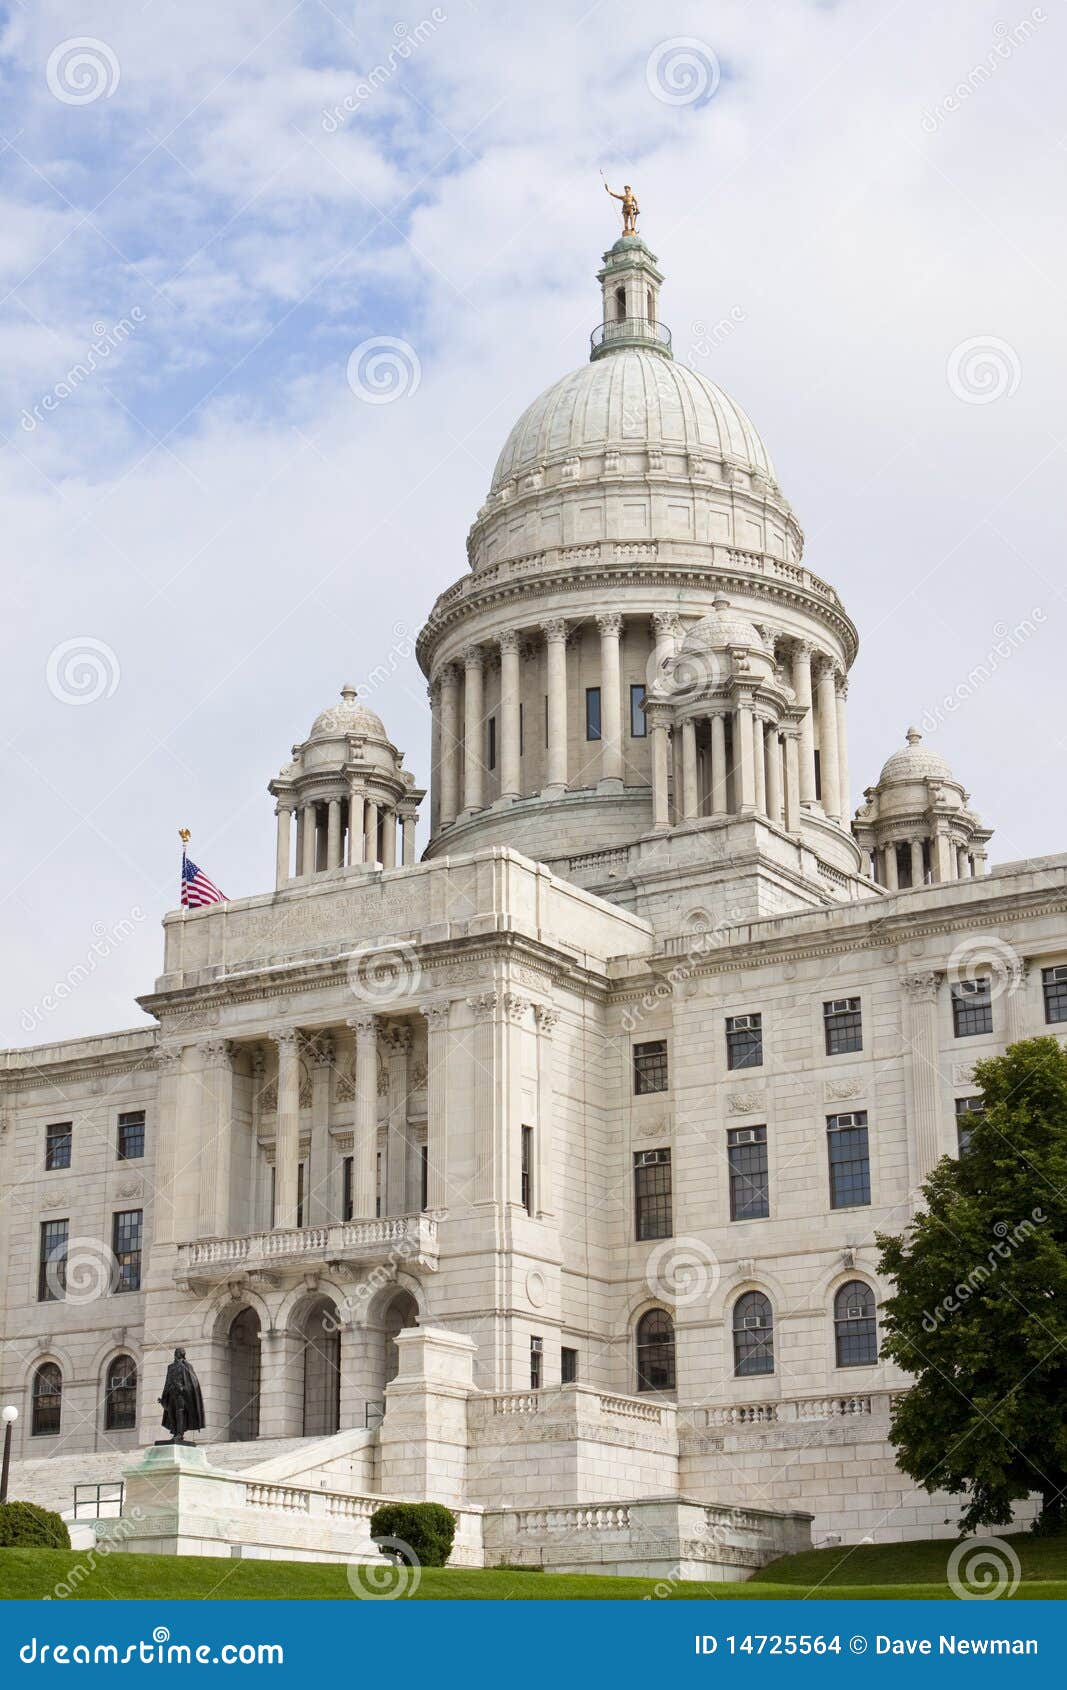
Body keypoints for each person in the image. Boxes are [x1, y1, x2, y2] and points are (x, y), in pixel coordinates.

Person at [158, 1347, 206, 1443]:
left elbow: (194, 1382)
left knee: (180, 1413)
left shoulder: (187, 1366)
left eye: (178, 1352)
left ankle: (180, 1434)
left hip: (181, 1396)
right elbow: (167, 1383)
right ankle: (175, 1432)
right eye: (176, 1352)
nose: (176, 1354)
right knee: (171, 1413)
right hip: (171, 1394)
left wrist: (183, 1389)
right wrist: (164, 1398)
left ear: (182, 1354)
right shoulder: (170, 1367)